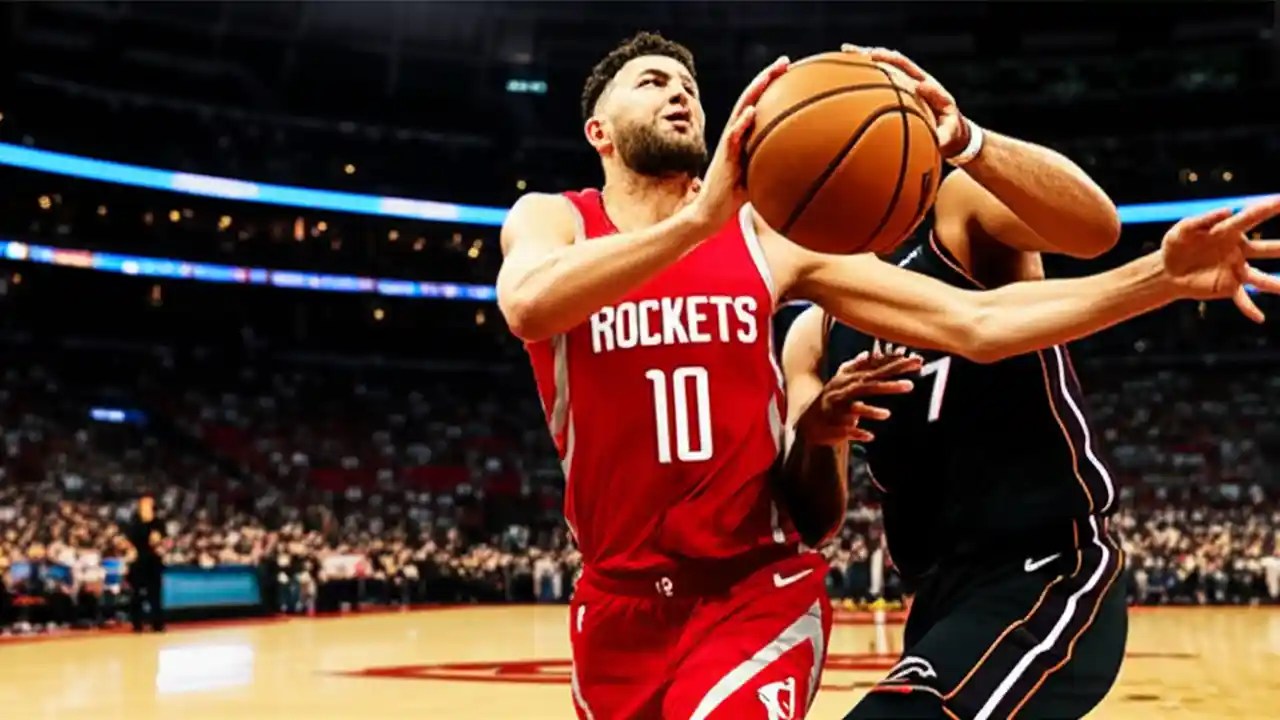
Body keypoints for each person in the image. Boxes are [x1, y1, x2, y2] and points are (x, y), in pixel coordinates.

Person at [496, 30, 1280, 719]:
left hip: (753, 590)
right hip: (618, 601)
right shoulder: (553, 220)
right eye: (654, 81)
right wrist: (814, 428)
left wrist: (1159, 278)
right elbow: (529, 306)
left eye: (691, 86)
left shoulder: (772, 242)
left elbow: (980, 323)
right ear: (598, 128)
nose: (680, 93)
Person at [124, 493, 166, 633]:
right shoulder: (134, 523)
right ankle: (137, 624)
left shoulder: (159, 523)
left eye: (149, 504)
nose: (146, 507)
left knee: (155, 594)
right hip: (138, 562)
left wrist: (162, 545)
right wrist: (129, 550)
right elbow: (127, 541)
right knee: (136, 594)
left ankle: (157, 624)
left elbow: (166, 541)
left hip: (154, 562)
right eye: (144, 504)